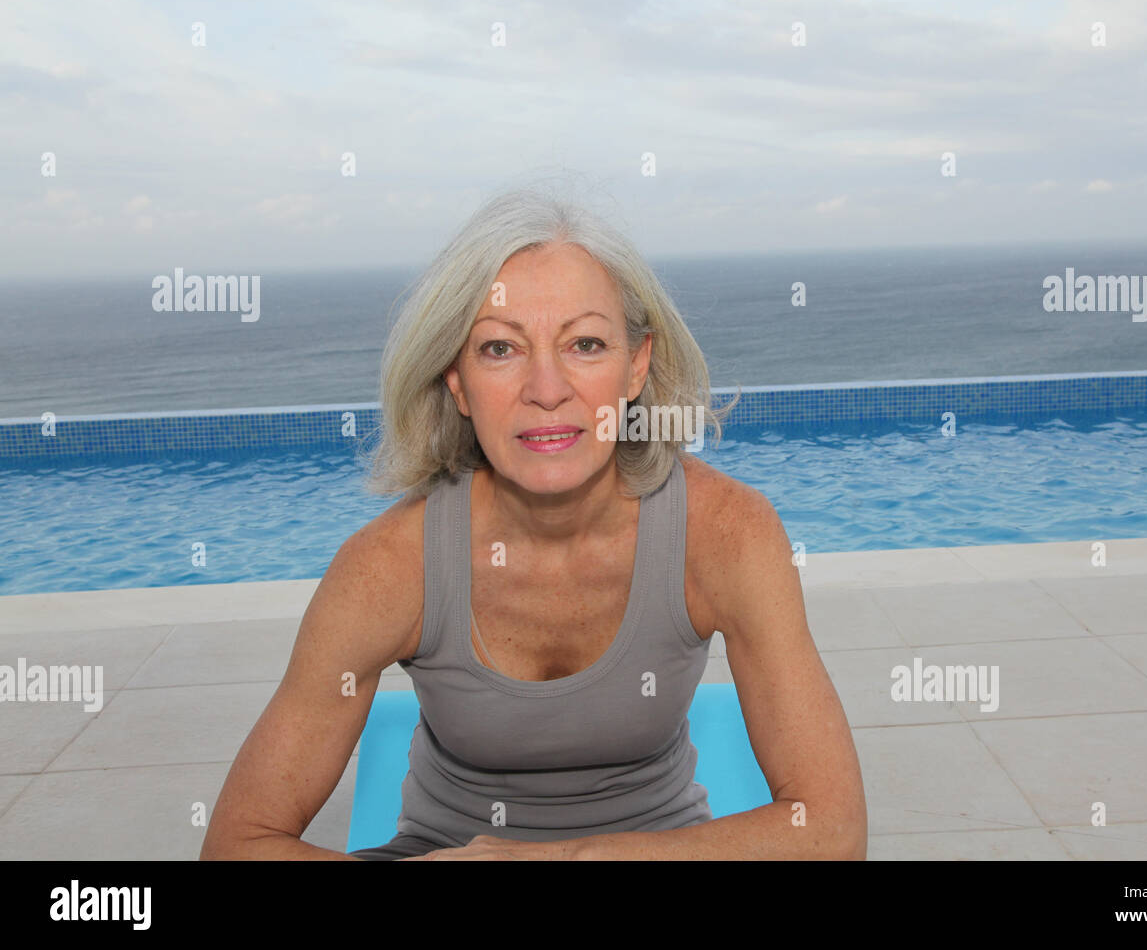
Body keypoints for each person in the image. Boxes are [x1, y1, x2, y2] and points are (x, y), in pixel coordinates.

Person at [200, 181, 867, 860]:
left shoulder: (727, 533)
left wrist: (567, 860)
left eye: (584, 344)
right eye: (500, 349)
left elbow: (832, 830)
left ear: (636, 367)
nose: (546, 390)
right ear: (455, 380)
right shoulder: (387, 568)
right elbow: (235, 845)